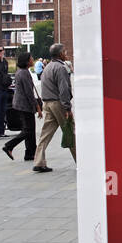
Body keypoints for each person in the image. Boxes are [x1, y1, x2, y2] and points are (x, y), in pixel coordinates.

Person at [33, 44, 75, 173]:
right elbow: (63, 89)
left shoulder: (48, 67)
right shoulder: (61, 68)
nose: (66, 53)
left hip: (47, 103)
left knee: (45, 134)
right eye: (64, 51)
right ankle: (82, 160)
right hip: (58, 103)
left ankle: (39, 161)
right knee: (70, 131)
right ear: (60, 53)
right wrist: (67, 108)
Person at [3, 51, 41, 161]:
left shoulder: (22, 72)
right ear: (26, 61)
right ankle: (9, 146)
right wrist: (37, 107)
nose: (32, 59)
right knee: (28, 130)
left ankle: (30, 153)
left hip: (21, 105)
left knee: (30, 129)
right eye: (30, 58)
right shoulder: (24, 73)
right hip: (24, 106)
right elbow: (29, 93)